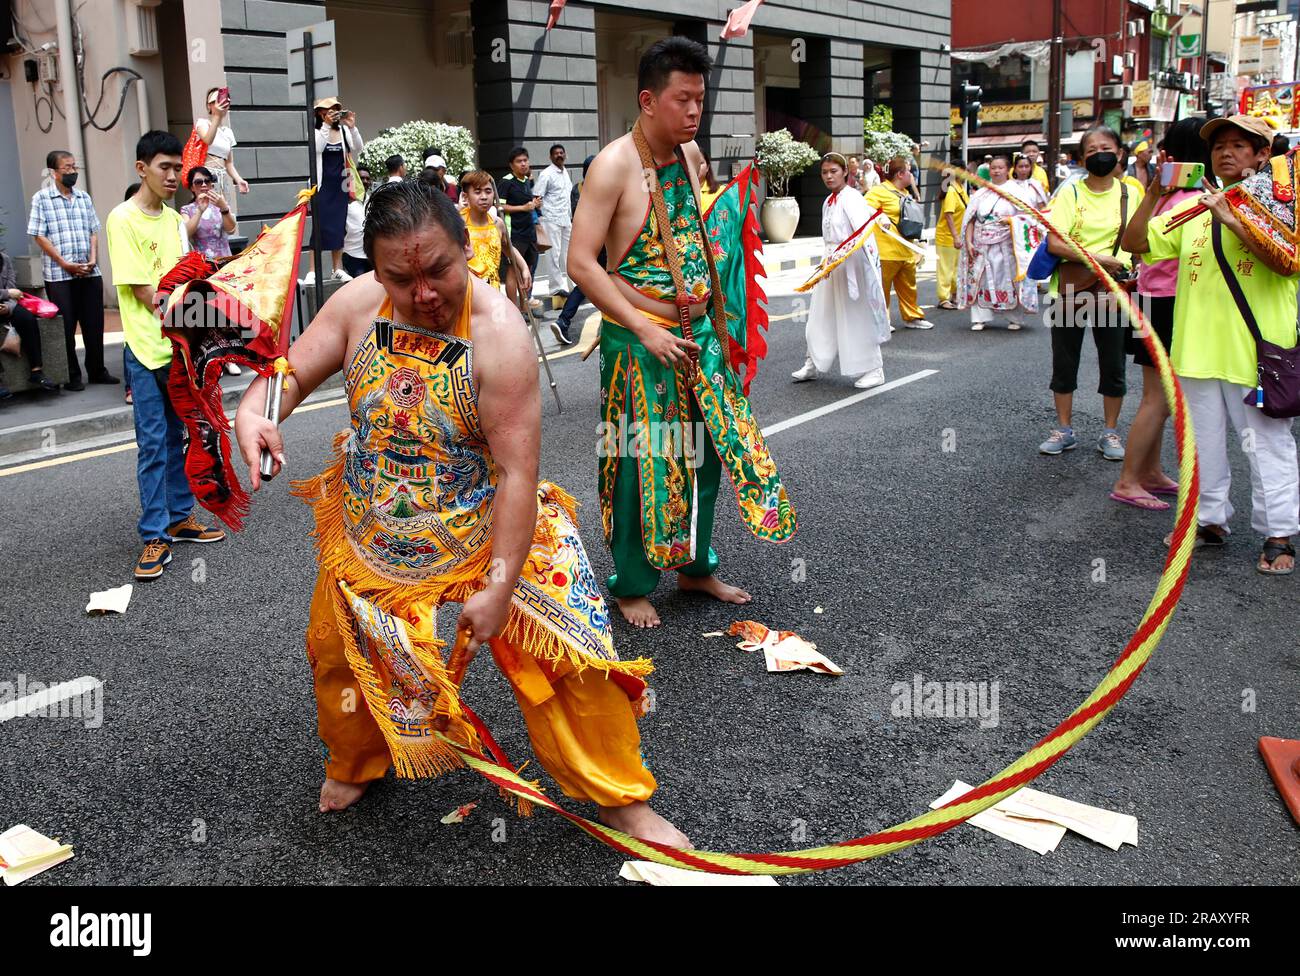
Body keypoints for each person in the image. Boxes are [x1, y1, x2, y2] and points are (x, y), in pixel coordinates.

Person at [231, 180, 690, 846]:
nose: (424, 293)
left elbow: (515, 474)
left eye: (439, 269)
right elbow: (291, 374)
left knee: (571, 656)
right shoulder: (358, 306)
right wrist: (255, 411)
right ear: (374, 269)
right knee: (337, 652)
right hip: (378, 523)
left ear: (463, 249)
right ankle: (357, 759)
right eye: (401, 277)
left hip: (488, 520)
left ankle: (620, 796)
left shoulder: (499, 333)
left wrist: (501, 586)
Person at [569, 36, 796, 629]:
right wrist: (643, 329)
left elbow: (701, 242)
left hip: (698, 339)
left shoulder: (692, 158)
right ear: (648, 100)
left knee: (706, 456)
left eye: (701, 99)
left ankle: (696, 566)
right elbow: (581, 261)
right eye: (683, 99)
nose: (696, 111)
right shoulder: (612, 165)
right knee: (639, 462)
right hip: (638, 342)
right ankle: (631, 583)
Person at [1124, 114, 1298, 574]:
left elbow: (1286, 264)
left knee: (1267, 447)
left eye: (1241, 145)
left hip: (1258, 357)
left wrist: (1234, 219)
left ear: (1263, 154)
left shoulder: (1284, 203)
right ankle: (1209, 520)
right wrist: (1152, 194)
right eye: (1220, 145)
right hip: (1196, 351)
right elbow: (1136, 242)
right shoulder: (1193, 208)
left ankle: (1278, 535)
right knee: (1201, 446)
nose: (1226, 152)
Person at [105, 130, 227, 579]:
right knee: (154, 444)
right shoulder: (122, 219)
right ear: (142, 169)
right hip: (144, 349)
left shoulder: (177, 221)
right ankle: (154, 533)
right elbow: (143, 291)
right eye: (165, 167)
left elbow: (186, 278)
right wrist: (194, 305)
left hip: (177, 346)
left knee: (181, 436)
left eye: (178, 167)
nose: (175, 175)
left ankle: (180, 516)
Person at [1106, 118, 1210, 511]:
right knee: (1158, 399)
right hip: (1165, 302)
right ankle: (1129, 480)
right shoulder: (1187, 199)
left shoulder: (1173, 194)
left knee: (1162, 397)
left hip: (1157, 299)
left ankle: (1147, 472)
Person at [1039, 124, 1141, 460]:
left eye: (1106, 148)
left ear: (1120, 153)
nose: (1100, 154)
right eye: (1092, 150)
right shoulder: (1070, 194)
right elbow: (1056, 242)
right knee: (1064, 362)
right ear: (1082, 158)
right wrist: (1096, 258)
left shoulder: (1132, 193)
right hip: (1069, 289)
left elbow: (1142, 239)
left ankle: (1110, 433)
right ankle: (1064, 429)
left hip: (1114, 291)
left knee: (1113, 363)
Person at [791, 153, 889, 388]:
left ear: (845, 172)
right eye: (824, 172)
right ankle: (812, 363)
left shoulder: (853, 198)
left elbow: (863, 235)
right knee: (819, 315)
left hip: (851, 266)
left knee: (857, 317)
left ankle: (874, 369)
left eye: (833, 171)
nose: (828, 176)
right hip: (831, 265)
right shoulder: (828, 201)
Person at [27, 150, 114, 391]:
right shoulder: (42, 198)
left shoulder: (84, 197)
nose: (72, 172)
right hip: (59, 275)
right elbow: (38, 234)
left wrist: (93, 259)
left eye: (74, 167)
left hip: (89, 271)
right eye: (66, 168)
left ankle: (97, 370)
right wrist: (64, 262)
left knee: (94, 323)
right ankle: (72, 375)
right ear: (53, 172)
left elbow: (94, 230)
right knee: (66, 326)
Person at [958, 153, 1043, 332]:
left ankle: (1014, 317)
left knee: (1008, 279)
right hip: (981, 242)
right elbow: (971, 220)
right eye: (993, 168)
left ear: (1007, 170)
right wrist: (969, 242)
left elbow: (1030, 218)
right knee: (979, 280)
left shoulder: (1017, 191)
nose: (996, 171)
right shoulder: (981, 192)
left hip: (1007, 243)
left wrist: (1011, 221)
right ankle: (980, 318)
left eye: (1000, 168)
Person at [864, 156, 931, 329]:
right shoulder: (879, 191)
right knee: (882, 288)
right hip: (887, 250)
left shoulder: (906, 193)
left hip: (906, 249)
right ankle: (882, 320)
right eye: (909, 171)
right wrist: (880, 215)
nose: (912, 175)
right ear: (901, 174)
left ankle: (913, 316)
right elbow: (864, 207)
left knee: (909, 286)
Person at [312, 96, 365, 280]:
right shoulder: (318, 131)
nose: (333, 113)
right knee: (319, 227)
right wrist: (326, 126)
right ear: (321, 113)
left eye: (335, 109)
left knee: (339, 226)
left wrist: (352, 126)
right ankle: (313, 270)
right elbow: (318, 148)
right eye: (329, 110)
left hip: (341, 184)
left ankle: (337, 268)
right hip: (323, 185)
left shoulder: (343, 131)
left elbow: (358, 147)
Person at [0, 249, 61, 398]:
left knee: (27, 319)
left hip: (6, 305)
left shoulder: (4, 259)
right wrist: (7, 294)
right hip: (4, 299)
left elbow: (13, 288)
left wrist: (7, 306)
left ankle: (36, 371)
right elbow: (10, 292)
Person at [458, 170, 531, 293]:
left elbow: (509, 248)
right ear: (466, 196)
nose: (484, 197)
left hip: (493, 293)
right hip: (466, 294)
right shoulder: (457, 224)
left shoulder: (498, 224)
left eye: (488, 191)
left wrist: (524, 268)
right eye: (477, 192)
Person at [554, 154, 600, 346]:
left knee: (586, 284)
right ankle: (564, 320)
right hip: (602, 244)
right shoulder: (599, 189)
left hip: (582, 241)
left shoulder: (577, 189)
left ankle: (563, 320)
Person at [194, 87, 249, 218]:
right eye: (216, 101)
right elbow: (208, 139)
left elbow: (229, 163)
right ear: (209, 106)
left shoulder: (227, 132)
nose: (222, 105)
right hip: (205, 177)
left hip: (222, 177)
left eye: (225, 101)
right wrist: (217, 117)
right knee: (207, 213)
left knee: (223, 212)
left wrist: (238, 179)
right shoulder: (203, 123)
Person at [499, 147, 542, 310]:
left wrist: (534, 205)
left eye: (525, 160)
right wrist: (523, 208)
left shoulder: (526, 181)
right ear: (511, 165)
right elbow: (500, 206)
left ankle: (525, 306)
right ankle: (513, 308)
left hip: (529, 232)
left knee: (528, 268)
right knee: (513, 270)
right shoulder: (506, 181)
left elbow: (528, 205)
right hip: (513, 233)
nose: (523, 164)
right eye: (519, 161)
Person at [533, 143, 574, 299]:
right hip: (551, 219)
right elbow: (537, 196)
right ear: (550, 157)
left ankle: (574, 286)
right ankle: (556, 288)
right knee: (554, 254)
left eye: (561, 153)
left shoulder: (565, 173)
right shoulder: (546, 174)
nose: (559, 155)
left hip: (565, 218)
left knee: (568, 254)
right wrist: (540, 218)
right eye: (556, 153)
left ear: (565, 155)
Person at [180, 166, 236, 260]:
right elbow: (186, 234)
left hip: (225, 261)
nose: (204, 185)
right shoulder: (187, 209)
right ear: (192, 187)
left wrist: (223, 208)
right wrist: (200, 211)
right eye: (198, 182)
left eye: (207, 181)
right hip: (203, 264)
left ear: (211, 185)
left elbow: (231, 230)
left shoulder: (220, 203)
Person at [935, 166, 968, 309]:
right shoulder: (951, 191)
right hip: (947, 237)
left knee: (956, 269)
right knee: (946, 269)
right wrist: (956, 236)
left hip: (957, 236)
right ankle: (943, 298)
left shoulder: (959, 188)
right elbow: (948, 214)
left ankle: (954, 295)